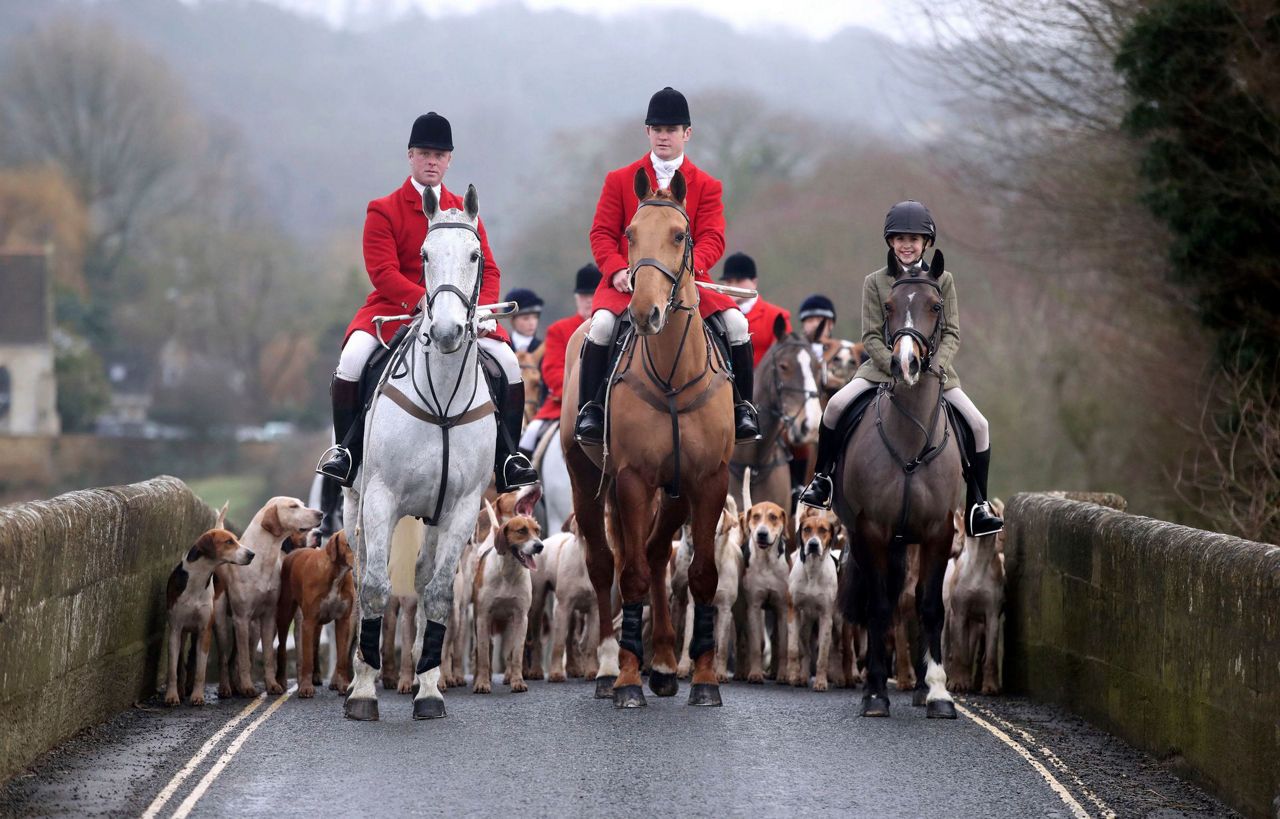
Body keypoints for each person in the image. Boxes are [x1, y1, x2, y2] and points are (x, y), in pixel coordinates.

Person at [315, 111, 538, 493]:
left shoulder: (465, 211)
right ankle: (347, 451)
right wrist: (424, 302)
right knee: (351, 360)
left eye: (439, 154)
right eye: (424, 153)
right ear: (410, 156)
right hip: (393, 310)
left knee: (508, 364)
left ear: (449, 160)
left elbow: (491, 270)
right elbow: (382, 272)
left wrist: (481, 311)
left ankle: (508, 458)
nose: (432, 161)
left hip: (462, 316)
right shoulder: (383, 209)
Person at [798, 200, 1003, 537]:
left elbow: (951, 332)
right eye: (900, 238)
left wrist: (934, 366)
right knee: (834, 407)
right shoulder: (875, 282)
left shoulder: (944, 280)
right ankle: (822, 480)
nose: (907, 245)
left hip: (935, 373)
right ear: (890, 242)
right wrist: (892, 364)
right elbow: (870, 335)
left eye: (914, 238)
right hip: (882, 370)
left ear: (926, 243)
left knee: (979, 426)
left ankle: (978, 505)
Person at [574, 86, 759, 445]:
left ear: (687, 134)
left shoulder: (707, 185)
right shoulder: (619, 179)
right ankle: (591, 409)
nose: (664, 136)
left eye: (672, 130)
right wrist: (616, 270)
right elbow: (601, 233)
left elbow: (713, 238)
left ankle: (742, 409)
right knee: (599, 328)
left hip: (688, 284)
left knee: (737, 324)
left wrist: (688, 270)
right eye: (657, 129)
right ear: (647, 132)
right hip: (628, 284)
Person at [520, 263, 601, 455]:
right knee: (529, 436)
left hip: (606, 403)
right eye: (584, 296)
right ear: (576, 298)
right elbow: (552, 370)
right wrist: (577, 396)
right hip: (563, 404)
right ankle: (526, 480)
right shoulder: (559, 329)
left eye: (593, 294)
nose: (589, 301)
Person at [720, 252, 791, 367]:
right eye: (728, 282)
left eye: (738, 281)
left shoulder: (776, 316)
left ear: (754, 283)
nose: (733, 286)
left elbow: (785, 360)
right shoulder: (717, 316)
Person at [504, 287, 544, 353]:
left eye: (535, 317)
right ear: (512, 320)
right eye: (526, 318)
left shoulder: (546, 350)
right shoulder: (502, 347)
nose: (532, 323)